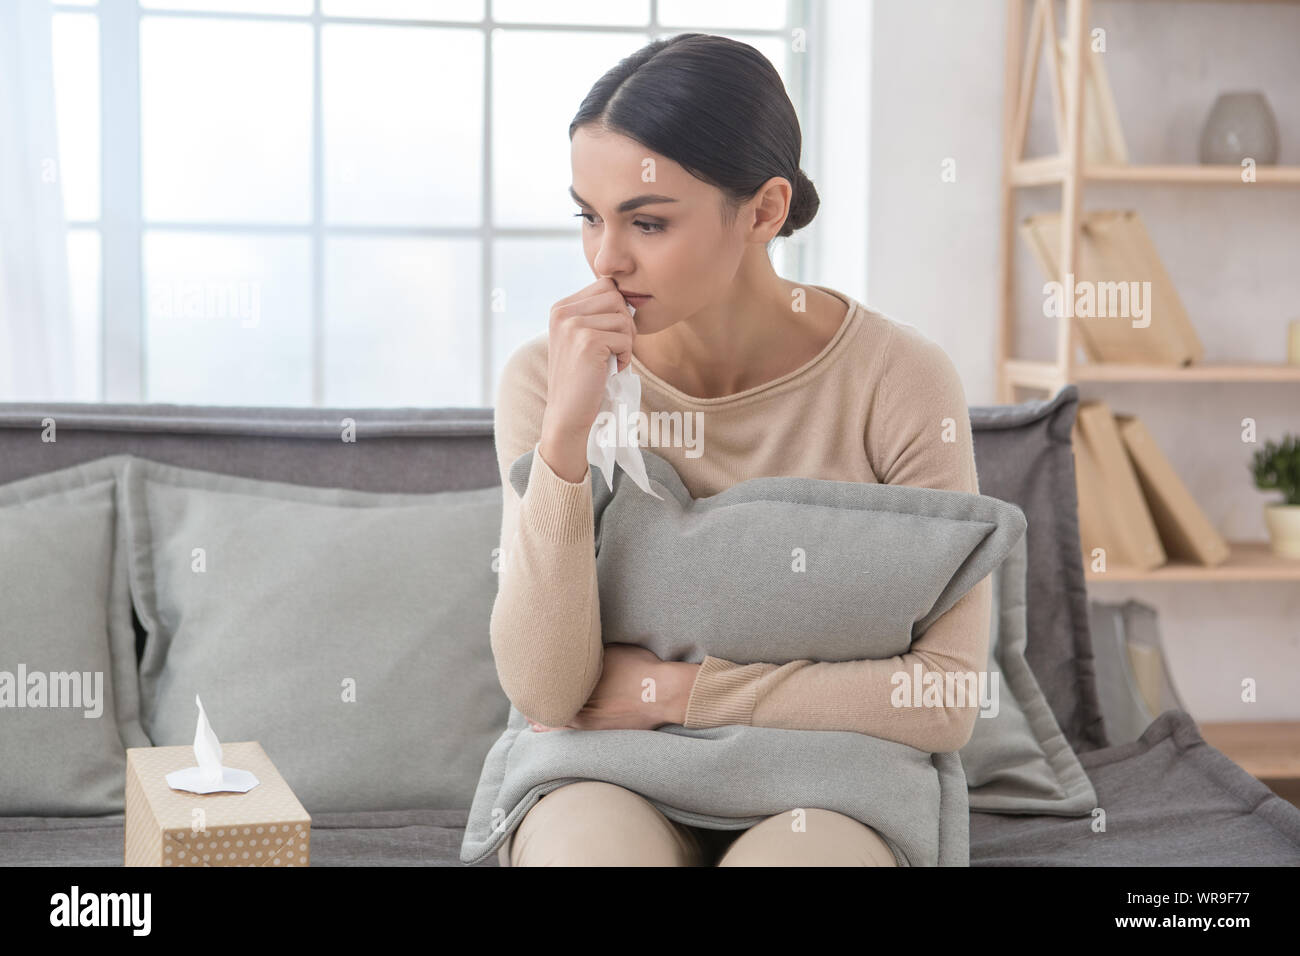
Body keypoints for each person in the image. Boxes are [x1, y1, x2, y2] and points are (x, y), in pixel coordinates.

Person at [489, 33, 990, 866]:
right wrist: (566, 440)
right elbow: (546, 690)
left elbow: (944, 698)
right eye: (588, 215)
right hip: (603, 775)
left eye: (646, 222)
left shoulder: (901, 379)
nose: (605, 259)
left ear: (762, 210)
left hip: (831, 783)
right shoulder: (549, 379)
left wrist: (678, 692)